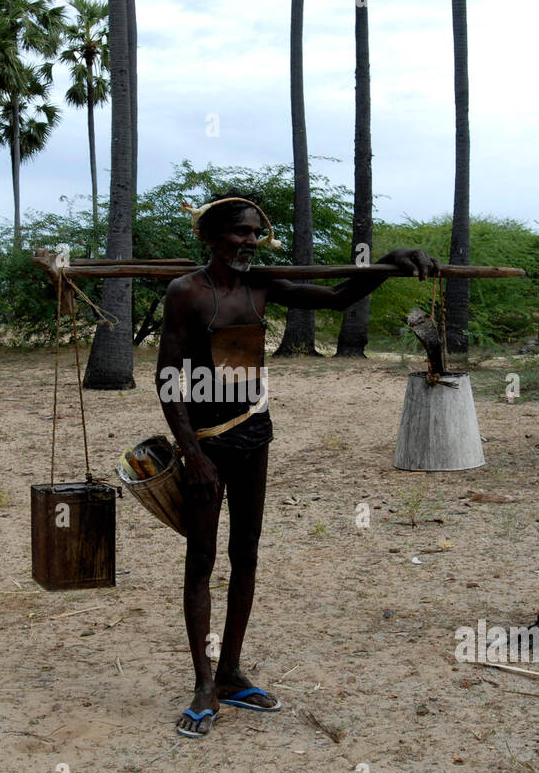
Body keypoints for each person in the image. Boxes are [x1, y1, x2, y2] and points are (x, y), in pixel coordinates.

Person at [155, 190, 435, 737]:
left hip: (254, 435)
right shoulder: (185, 293)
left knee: (246, 554)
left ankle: (233, 671)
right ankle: (203, 682)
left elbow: (335, 296)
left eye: (257, 233)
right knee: (201, 560)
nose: (251, 242)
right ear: (212, 237)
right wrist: (191, 453)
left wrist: (388, 263)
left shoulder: (265, 286)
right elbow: (169, 381)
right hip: (207, 443)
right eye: (240, 232)